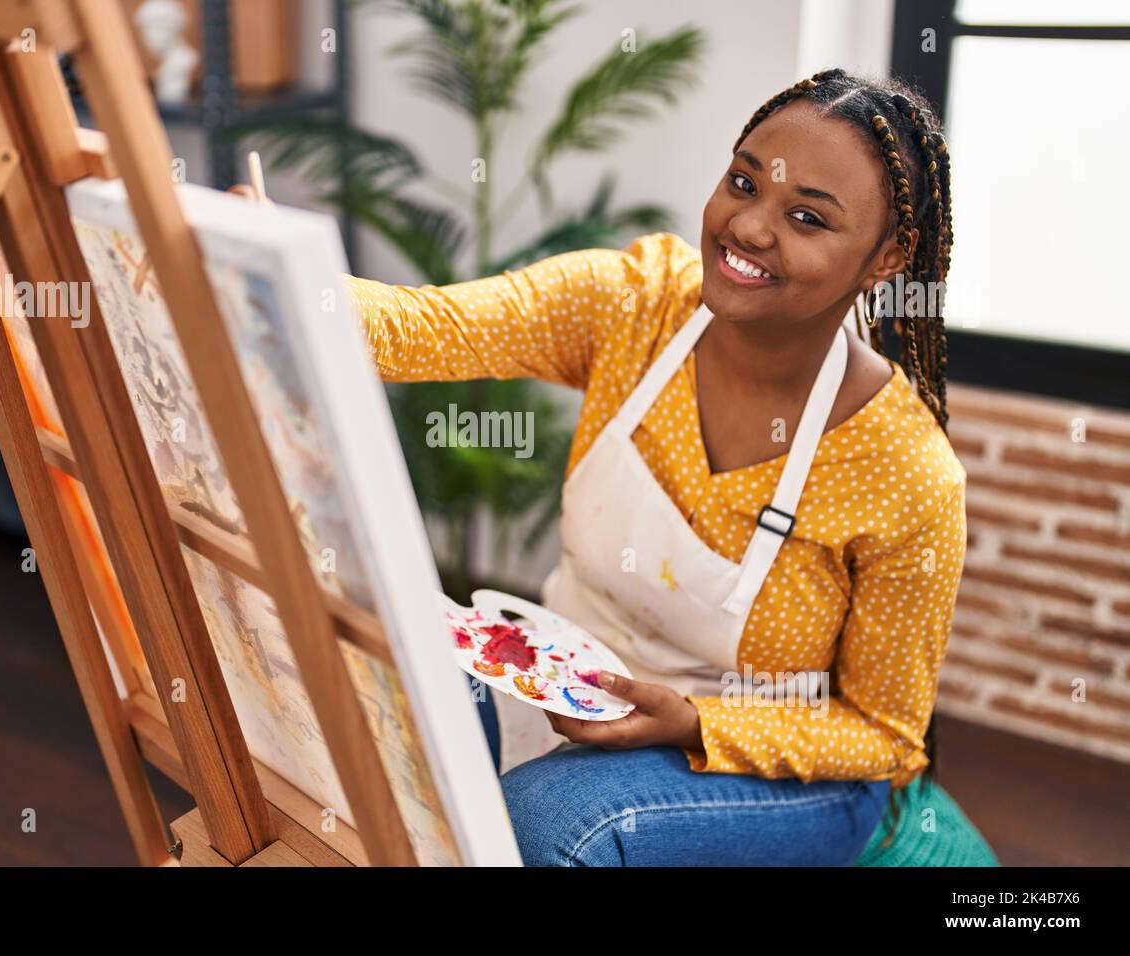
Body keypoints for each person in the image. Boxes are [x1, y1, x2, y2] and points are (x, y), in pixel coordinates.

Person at [342, 68, 964, 866]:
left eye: (807, 217)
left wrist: (695, 721)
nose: (749, 227)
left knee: (549, 824)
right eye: (744, 181)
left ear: (888, 256)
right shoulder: (633, 305)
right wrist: (259, 269)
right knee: (382, 706)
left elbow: (881, 733)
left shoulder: (906, 475)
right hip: (580, 676)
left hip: (784, 764)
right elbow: (422, 327)